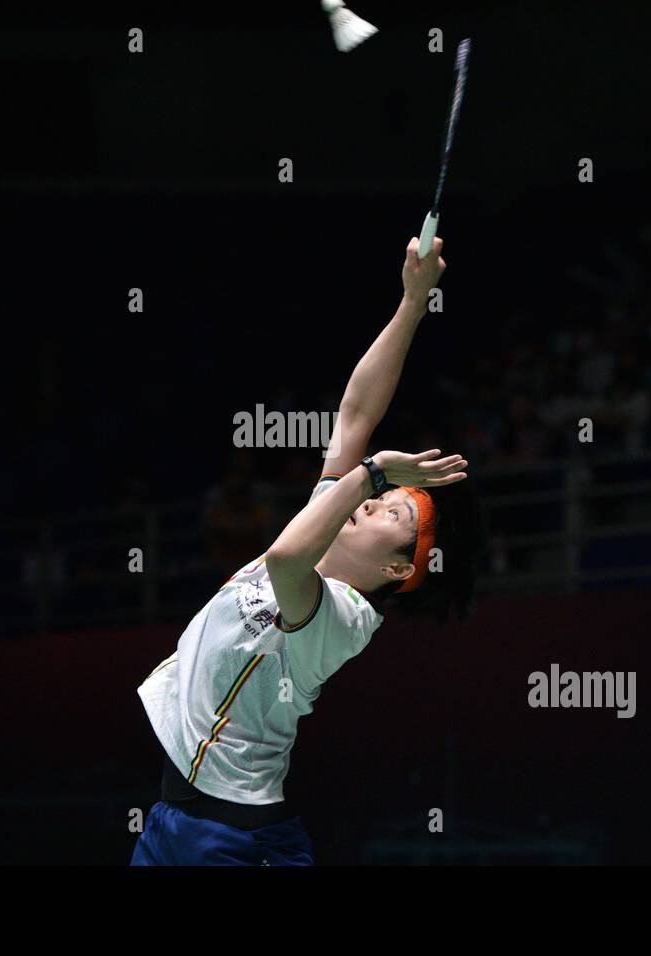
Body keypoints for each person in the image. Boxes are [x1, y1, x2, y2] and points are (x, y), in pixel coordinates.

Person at [131, 236, 480, 865]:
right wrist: (413, 299)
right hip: (177, 819)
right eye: (382, 496)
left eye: (392, 511)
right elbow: (353, 416)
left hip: (231, 839)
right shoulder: (328, 521)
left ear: (399, 568)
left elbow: (288, 560)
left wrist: (371, 475)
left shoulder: (345, 618)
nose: (373, 504)